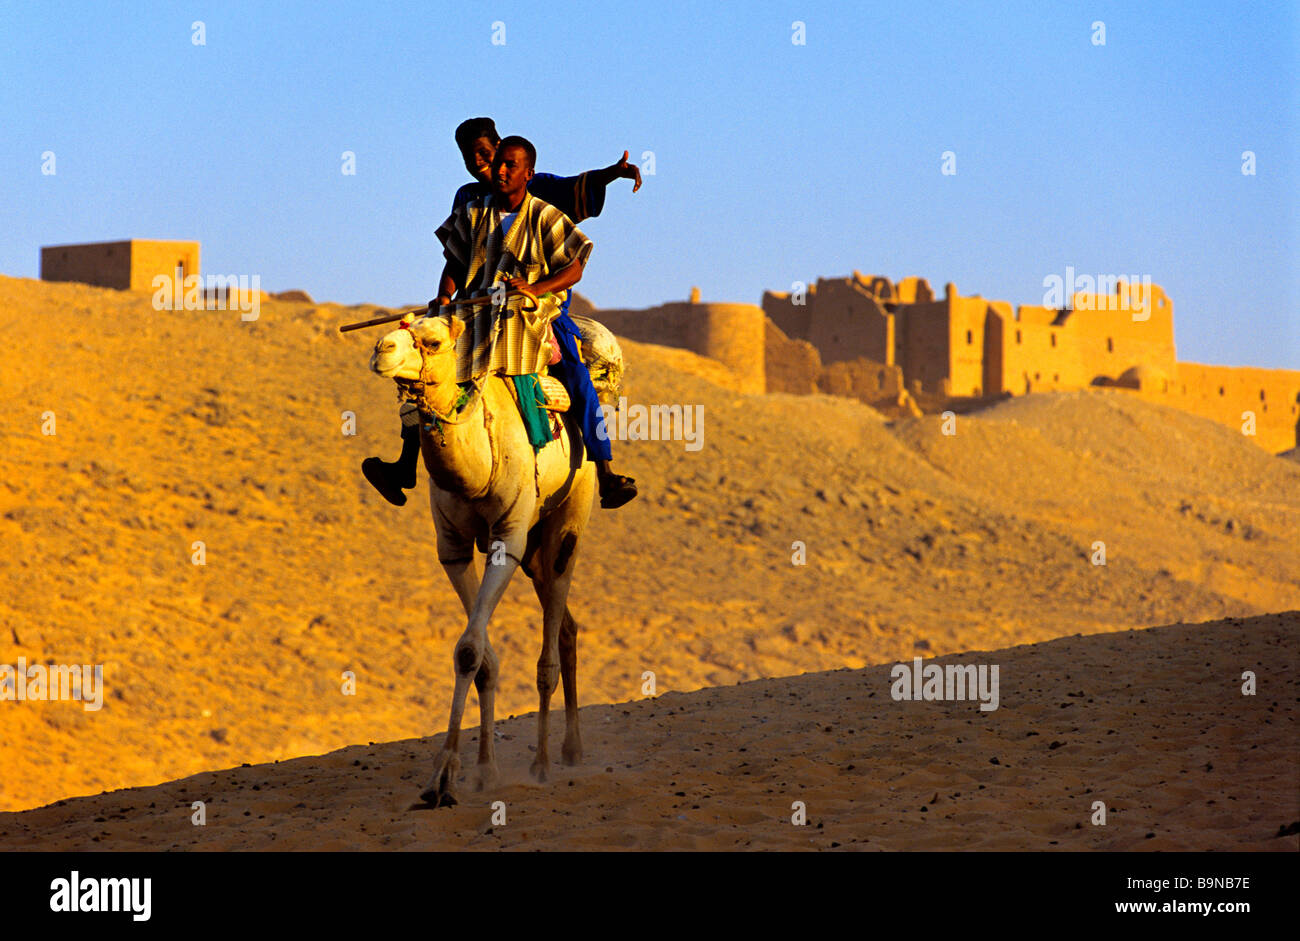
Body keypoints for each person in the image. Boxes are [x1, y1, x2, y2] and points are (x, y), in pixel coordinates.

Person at [364, 120, 640, 508]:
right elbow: (456, 259)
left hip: (536, 313)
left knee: (577, 377)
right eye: (469, 157)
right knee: (423, 372)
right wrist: (443, 298)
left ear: (505, 154)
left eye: (486, 155)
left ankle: (606, 472)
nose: (482, 165)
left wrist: (612, 174)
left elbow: (576, 202)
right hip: (474, 312)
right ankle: (405, 463)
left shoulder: (537, 193)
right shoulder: (470, 201)